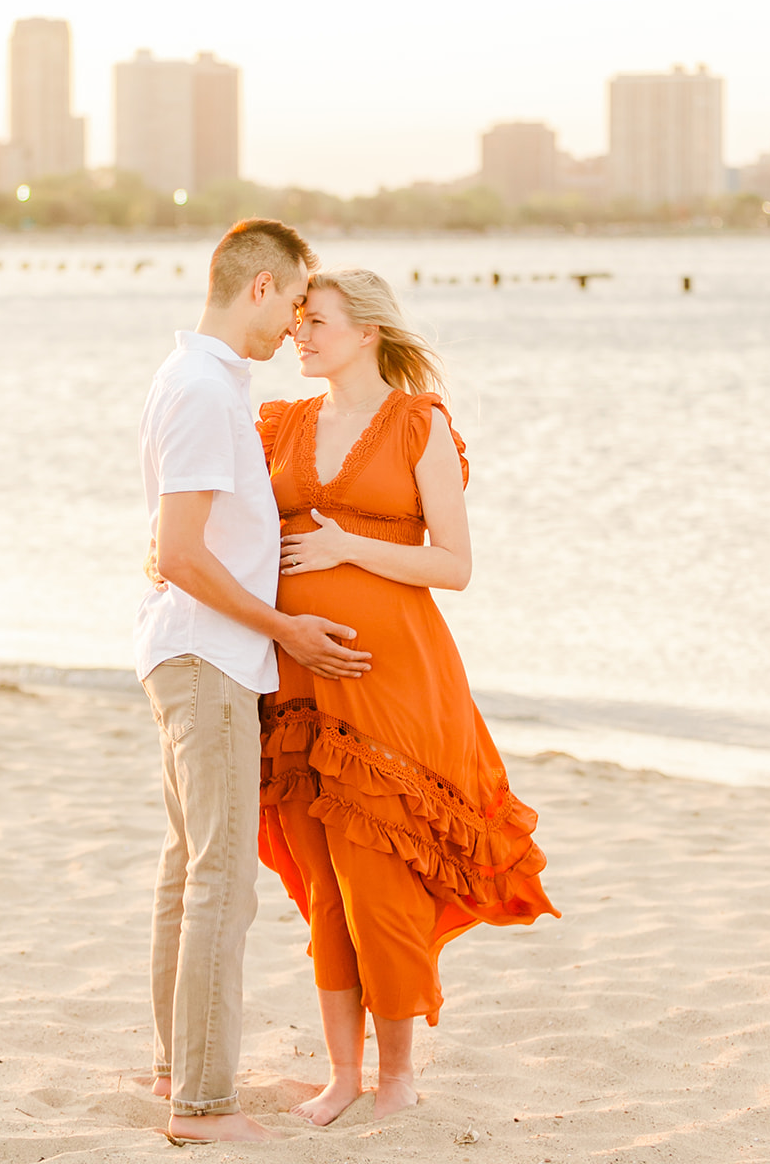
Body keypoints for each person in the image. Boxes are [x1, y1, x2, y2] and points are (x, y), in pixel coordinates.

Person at [256, 268, 560, 1126]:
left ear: (368, 331)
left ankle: (396, 1081)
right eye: (297, 323)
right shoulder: (277, 425)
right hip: (293, 681)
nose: (299, 337)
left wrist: (348, 546)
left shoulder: (416, 424)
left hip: (393, 683)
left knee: (378, 878)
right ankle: (341, 1076)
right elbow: (230, 525)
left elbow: (453, 567)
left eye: (315, 322)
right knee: (321, 879)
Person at [135, 220, 372, 1147]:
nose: (295, 333)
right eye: (294, 307)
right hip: (207, 658)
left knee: (186, 874)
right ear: (261, 287)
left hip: (189, 649)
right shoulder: (199, 387)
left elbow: (172, 539)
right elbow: (182, 551)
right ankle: (201, 1103)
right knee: (221, 884)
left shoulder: (198, 379)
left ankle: (173, 1071)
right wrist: (288, 633)